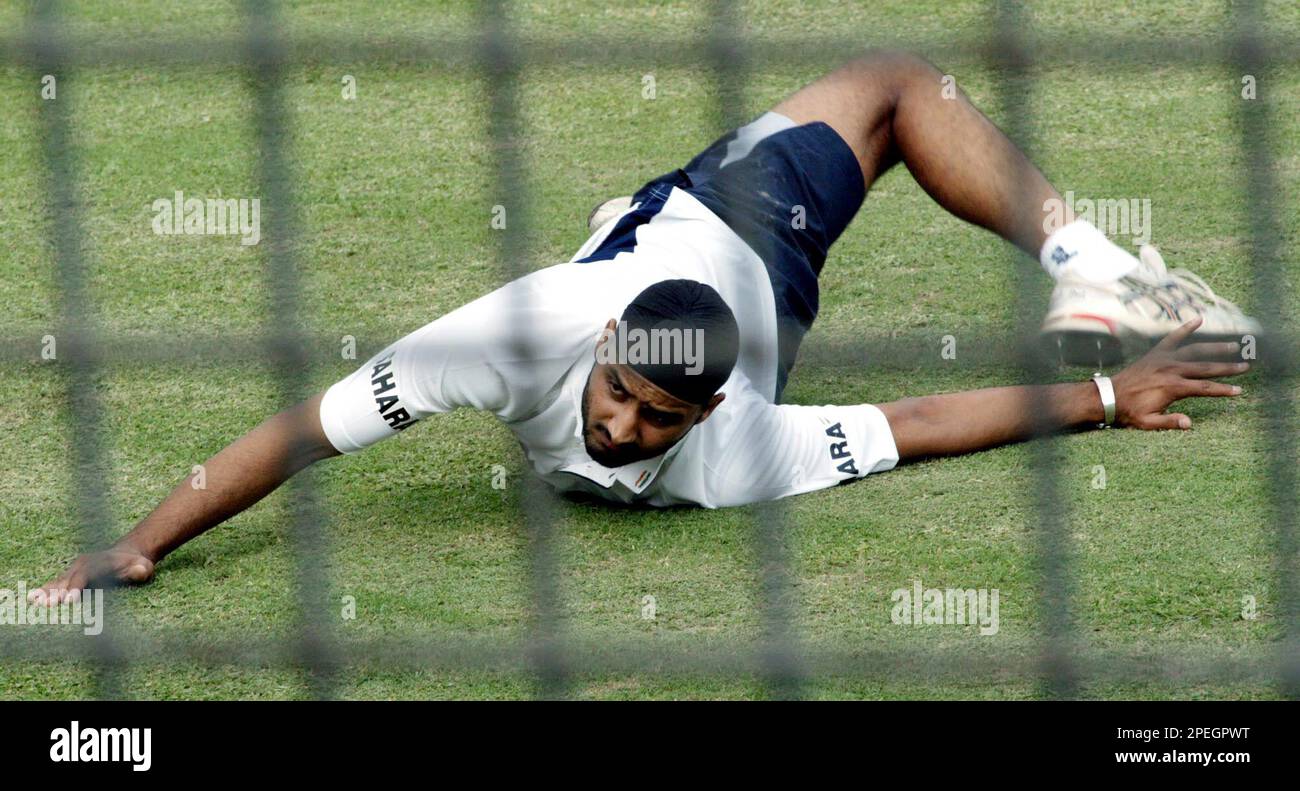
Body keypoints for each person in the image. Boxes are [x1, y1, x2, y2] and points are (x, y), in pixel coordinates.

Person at [31, 51, 1256, 604]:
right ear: (606, 339)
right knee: (890, 89)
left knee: (897, 85)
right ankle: (1088, 260)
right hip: (683, 236)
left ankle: (1091, 276)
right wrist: (146, 540)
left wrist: (1106, 397)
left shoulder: (731, 449)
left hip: (750, 249)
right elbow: (309, 428)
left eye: (650, 415)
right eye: (617, 390)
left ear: (707, 409)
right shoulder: (521, 334)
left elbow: (919, 419)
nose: (617, 422)